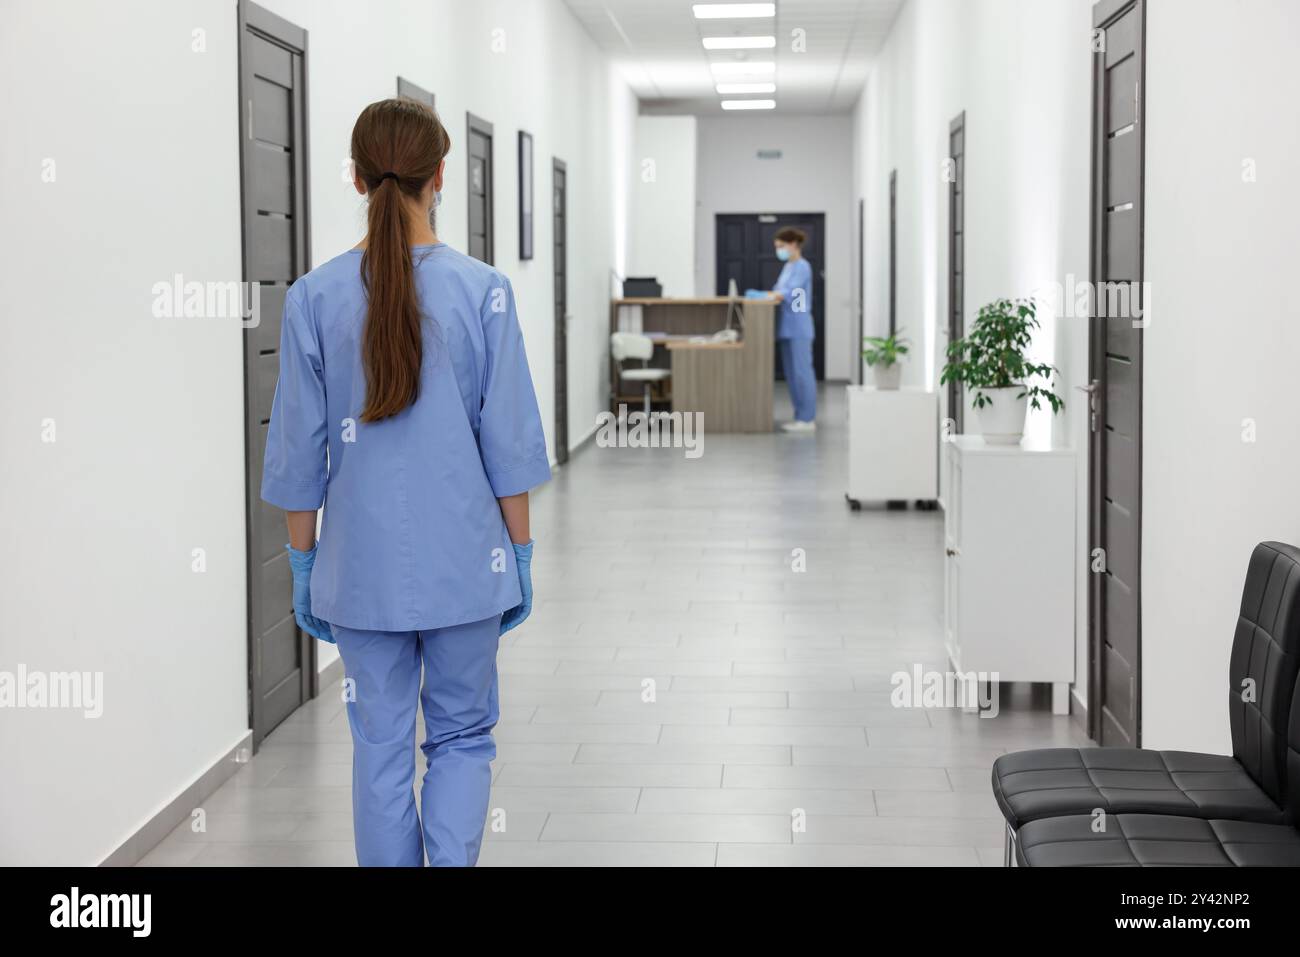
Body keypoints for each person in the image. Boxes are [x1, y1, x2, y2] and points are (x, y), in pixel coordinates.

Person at [260, 98, 551, 867]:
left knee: (379, 748)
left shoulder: (312, 299)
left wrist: (303, 563)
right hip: (468, 567)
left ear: (356, 178)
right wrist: (519, 554)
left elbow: (297, 458)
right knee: (461, 735)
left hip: (360, 575)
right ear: (441, 178)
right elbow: (509, 445)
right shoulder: (483, 290)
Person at [768, 226, 817, 432]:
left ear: (793, 244)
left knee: (802, 373)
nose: (779, 250)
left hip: (799, 326)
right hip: (787, 327)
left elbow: (790, 294)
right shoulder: (788, 266)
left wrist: (776, 295)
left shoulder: (802, 267)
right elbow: (779, 290)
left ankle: (807, 419)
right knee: (792, 374)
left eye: (781, 246)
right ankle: (799, 416)